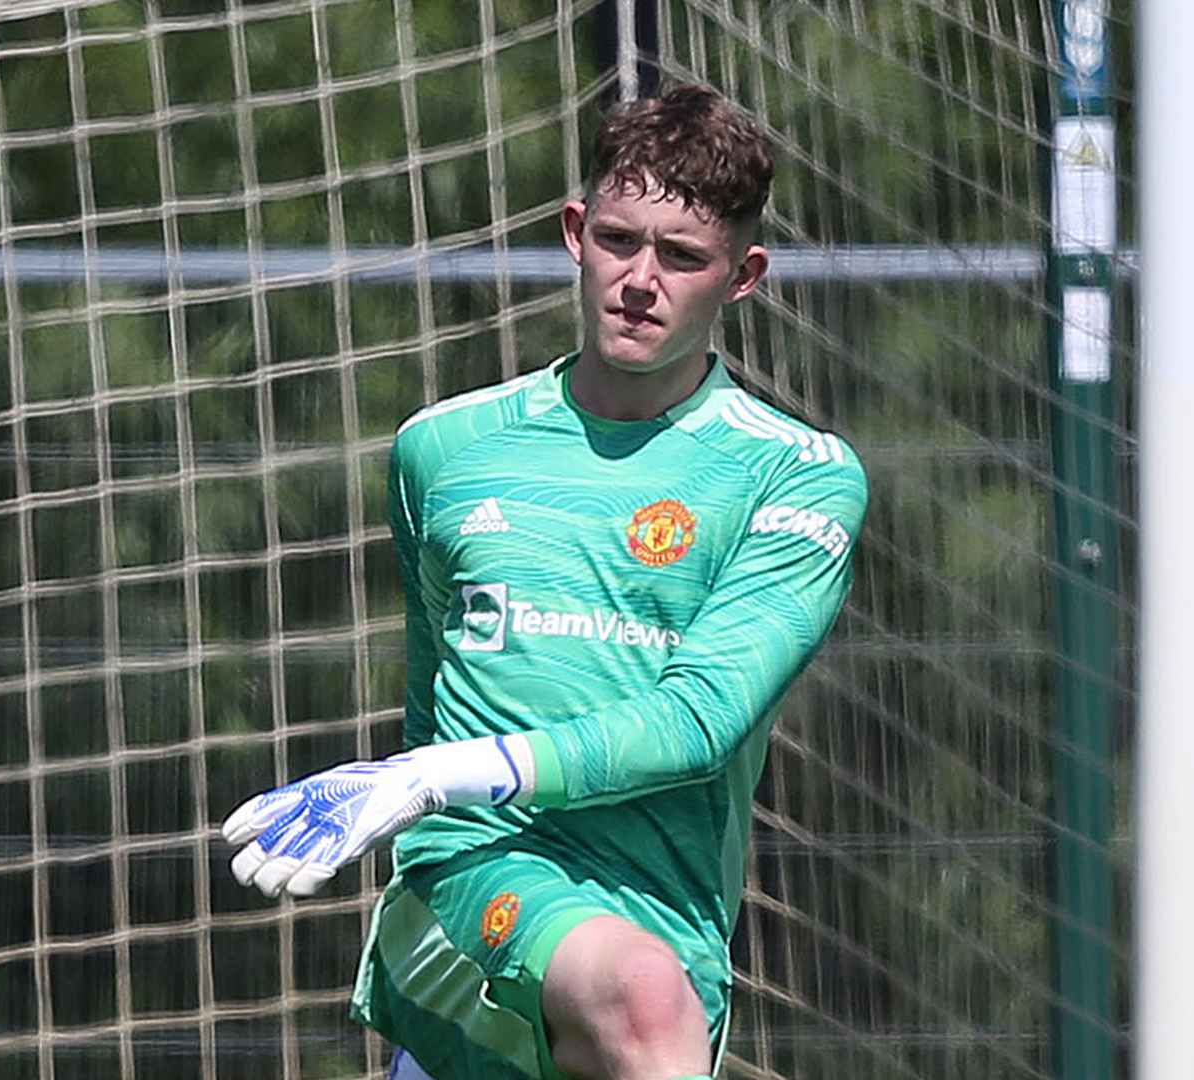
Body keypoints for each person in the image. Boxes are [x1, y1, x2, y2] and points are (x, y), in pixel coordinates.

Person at [221, 80, 867, 1080]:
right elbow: (440, 684)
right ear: (576, 231)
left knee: (652, 993)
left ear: (743, 277)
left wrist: (426, 777)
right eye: (618, 240)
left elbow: (699, 724)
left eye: (684, 257)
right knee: (644, 1000)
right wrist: (435, 792)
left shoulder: (794, 476)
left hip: (663, 918)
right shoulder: (445, 450)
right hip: (473, 882)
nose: (640, 279)